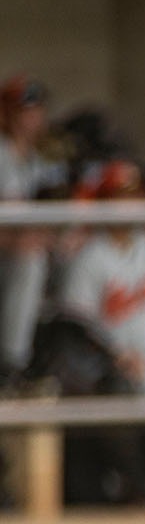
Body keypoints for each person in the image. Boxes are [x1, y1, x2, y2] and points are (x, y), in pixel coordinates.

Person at [60, 159, 145, 393]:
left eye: (135, 196)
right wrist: (116, 358)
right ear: (104, 202)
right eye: (121, 197)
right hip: (108, 372)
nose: (130, 205)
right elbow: (77, 334)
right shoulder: (87, 257)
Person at [0, 76, 67, 383]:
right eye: (23, 110)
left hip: (29, 246)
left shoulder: (43, 159)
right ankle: (12, 363)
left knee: (75, 246)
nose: (31, 118)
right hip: (9, 253)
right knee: (30, 261)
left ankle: (67, 353)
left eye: (35, 110)